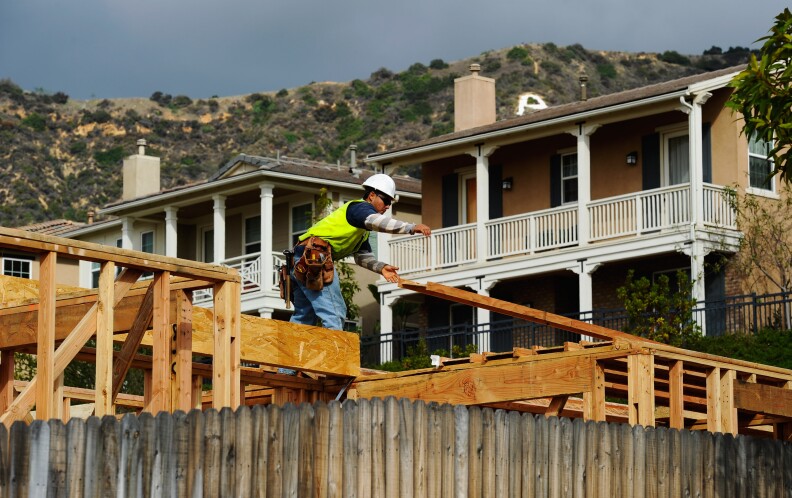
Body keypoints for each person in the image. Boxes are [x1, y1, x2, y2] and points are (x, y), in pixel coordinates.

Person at [289, 173, 431, 331]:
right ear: (371, 195)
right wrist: (411, 228)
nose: (388, 206)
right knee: (334, 313)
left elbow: (361, 256)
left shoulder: (361, 229)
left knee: (304, 315)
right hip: (314, 258)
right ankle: (337, 354)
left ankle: (289, 353)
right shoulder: (359, 209)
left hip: (301, 259)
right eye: (386, 200)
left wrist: (381, 267)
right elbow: (377, 222)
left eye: (390, 203)